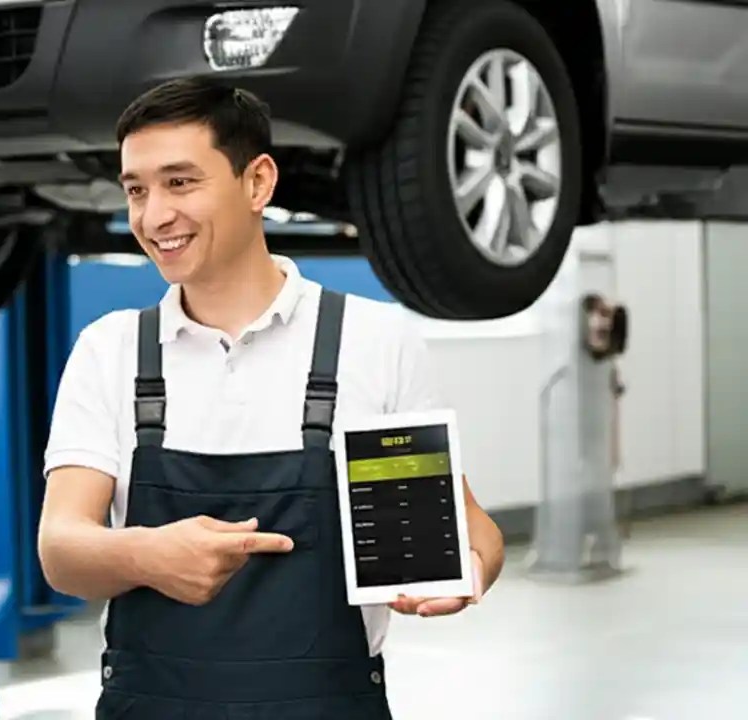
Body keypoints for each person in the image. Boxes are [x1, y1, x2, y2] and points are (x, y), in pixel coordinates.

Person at [37, 78, 506, 717]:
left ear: (258, 182)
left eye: (180, 183)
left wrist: (468, 568)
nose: (153, 216)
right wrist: (150, 555)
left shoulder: (371, 340)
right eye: (136, 189)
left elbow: (468, 525)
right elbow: (62, 550)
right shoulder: (110, 350)